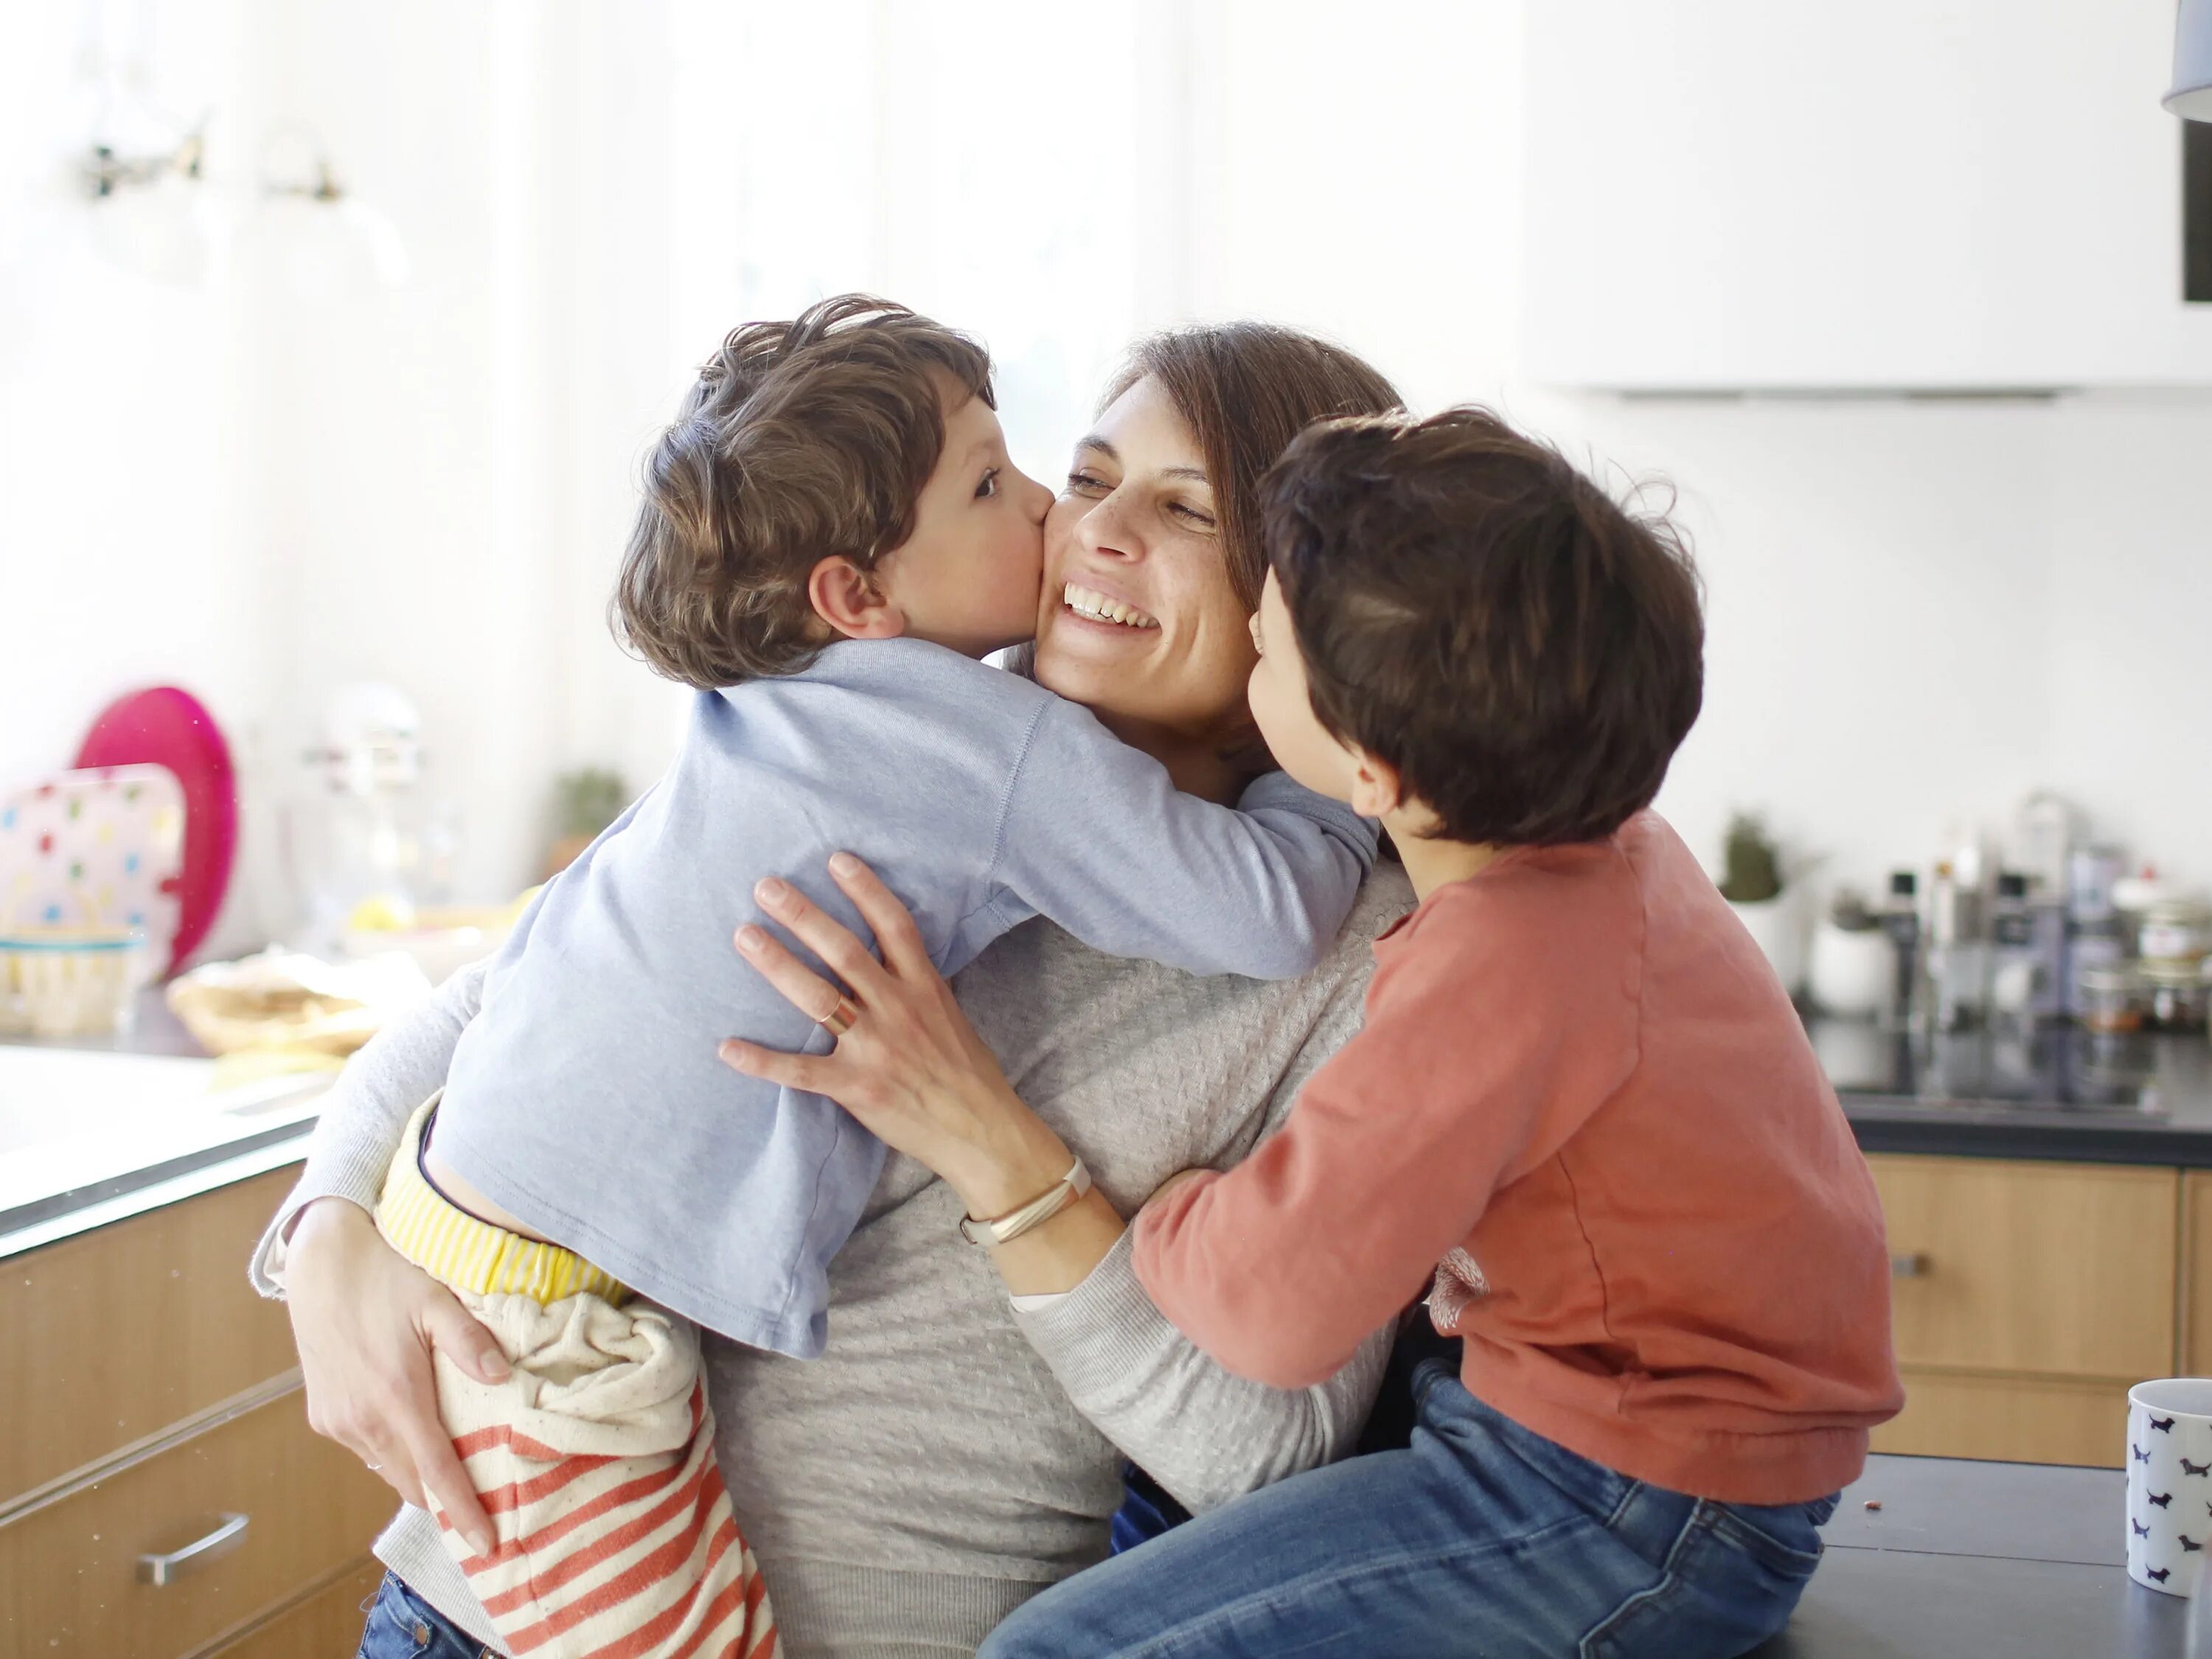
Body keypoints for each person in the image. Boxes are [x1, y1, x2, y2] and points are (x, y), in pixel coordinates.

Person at [254, 321, 1415, 1659]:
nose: (1090, 527)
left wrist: (992, 1143)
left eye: (1185, 508)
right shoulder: (879, 736)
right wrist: (328, 1231)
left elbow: (1270, 1456)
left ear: (1304, 597)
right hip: (478, 1592)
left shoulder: (1354, 953)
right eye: (1086, 477)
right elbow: (517, 995)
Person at [818, 406, 1901, 1658]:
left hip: (1628, 1495)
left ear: (1372, 777)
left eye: (1267, 653)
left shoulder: (1497, 967)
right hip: (1624, 1441)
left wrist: (1179, 1209)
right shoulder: (1606, 846)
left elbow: (1270, 1308)